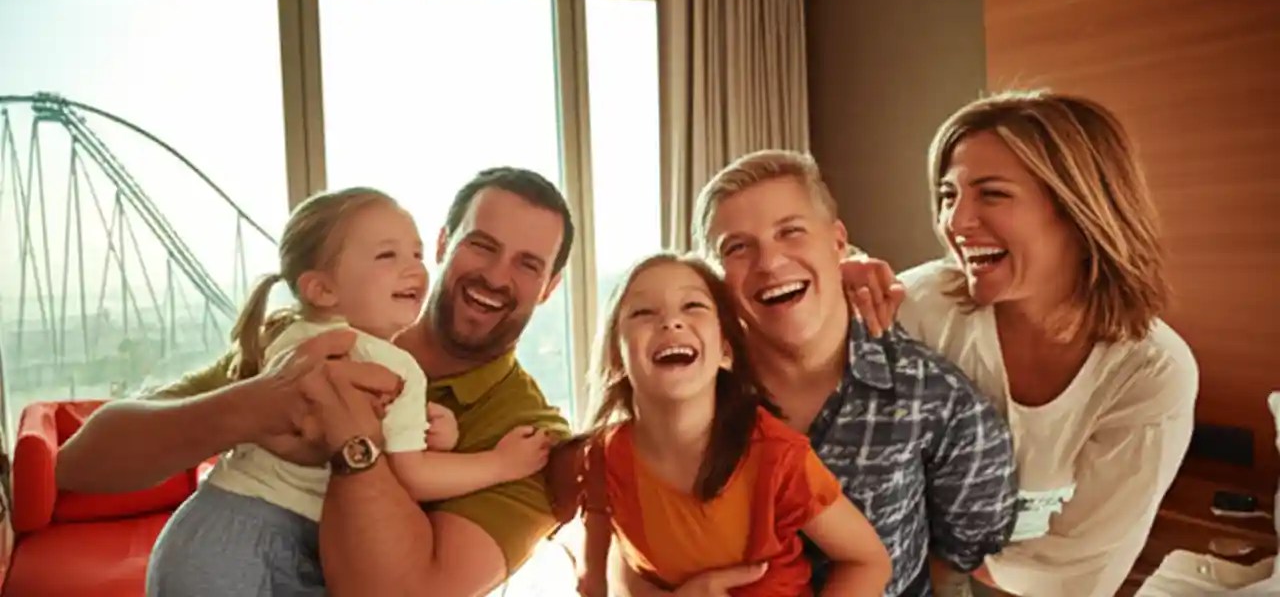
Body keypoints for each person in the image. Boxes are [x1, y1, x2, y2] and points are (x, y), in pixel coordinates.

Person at [58, 167, 577, 596]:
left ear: (551, 287)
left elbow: (414, 593)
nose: (496, 275)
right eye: (481, 245)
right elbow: (82, 463)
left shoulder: (530, 435)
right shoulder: (301, 341)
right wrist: (254, 406)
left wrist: (352, 444)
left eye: (528, 265)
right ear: (443, 244)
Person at [596, 150, 1018, 597]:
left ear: (839, 243)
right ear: (715, 279)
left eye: (790, 232)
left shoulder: (936, 398)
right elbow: (624, 545)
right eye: (737, 247)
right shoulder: (682, 385)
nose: (769, 263)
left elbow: (962, 559)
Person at [841, 90, 1199, 597]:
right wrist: (823, 286)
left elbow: (1081, 562)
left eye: (991, 194)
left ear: (1079, 210)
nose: (956, 222)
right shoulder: (919, 306)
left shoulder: (1150, 372)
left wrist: (952, 569)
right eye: (948, 196)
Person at [579, 252, 892, 597]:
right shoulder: (602, 457)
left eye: (693, 306)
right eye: (643, 312)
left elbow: (868, 561)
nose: (671, 322)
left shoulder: (777, 456)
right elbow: (597, 582)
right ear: (616, 357)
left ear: (725, 349)